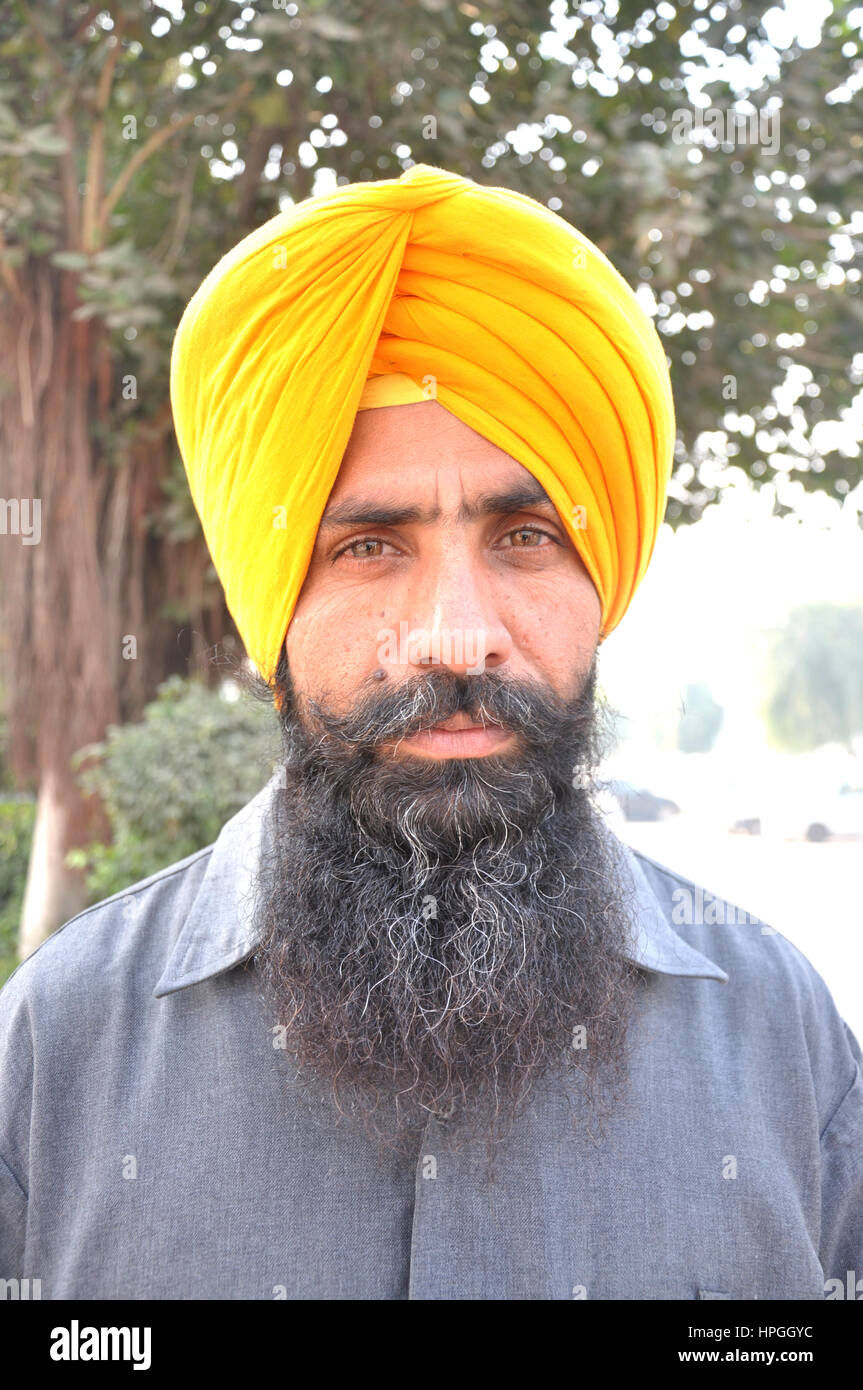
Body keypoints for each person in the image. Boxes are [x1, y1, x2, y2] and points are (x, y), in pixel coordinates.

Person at [1, 165, 860, 1301]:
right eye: (368, 546)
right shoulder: (54, 1051)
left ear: (599, 583)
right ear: (268, 615)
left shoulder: (781, 1037)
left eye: (524, 537)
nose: (456, 639)